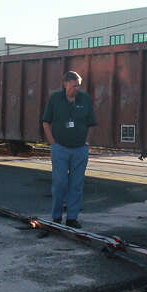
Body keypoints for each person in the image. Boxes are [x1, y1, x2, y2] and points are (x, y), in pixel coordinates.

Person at [41, 71, 97, 227]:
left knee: (76, 185)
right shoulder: (55, 99)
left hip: (80, 149)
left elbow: (92, 123)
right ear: (65, 84)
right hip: (60, 149)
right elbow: (46, 122)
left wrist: (87, 142)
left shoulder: (85, 99)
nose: (77, 89)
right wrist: (53, 143)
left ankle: (72, 218)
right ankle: (56, 217)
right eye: (74, 86)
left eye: (78, 86)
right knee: (60, 183)